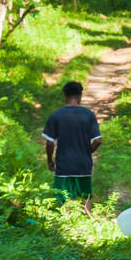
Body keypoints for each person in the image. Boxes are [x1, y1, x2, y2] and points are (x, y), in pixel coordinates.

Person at [42, 81, 101, 213]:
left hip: (64, 164)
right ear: (80, 96)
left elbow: (50, 142)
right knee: (86, 196)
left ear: (65, 96)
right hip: (83, 164)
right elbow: (97, 140)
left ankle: (68, 225)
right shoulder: (88, 115)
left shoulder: (56, 115)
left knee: (65, 197)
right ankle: (88, 222)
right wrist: (87, 152)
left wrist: (50, 161)